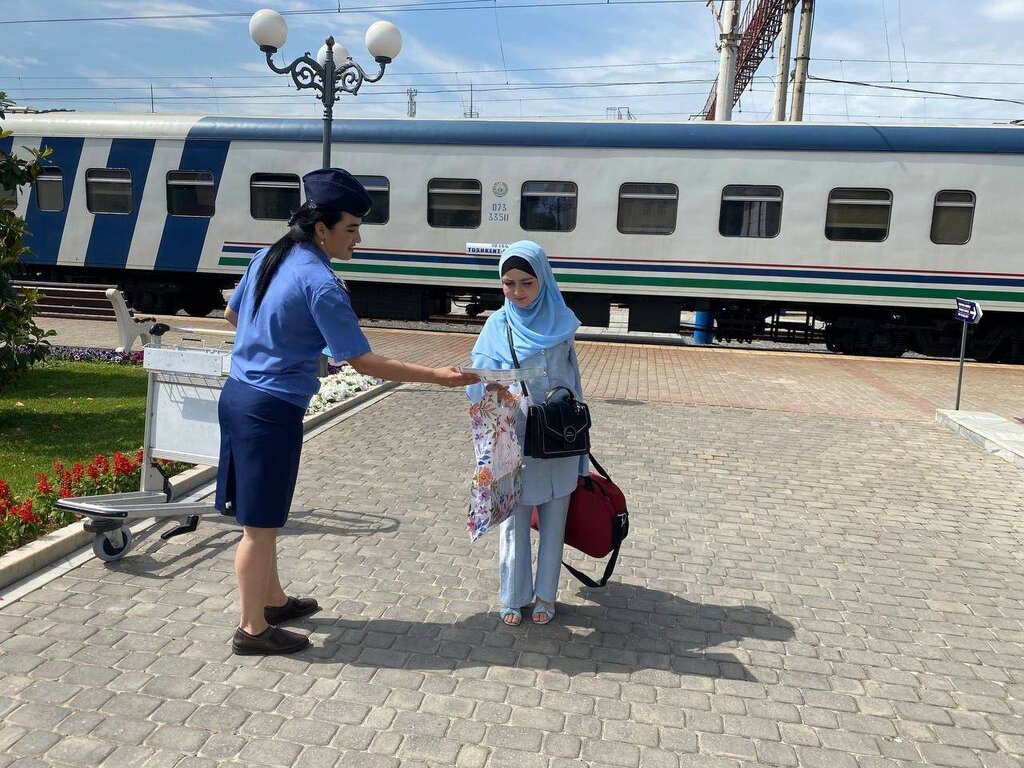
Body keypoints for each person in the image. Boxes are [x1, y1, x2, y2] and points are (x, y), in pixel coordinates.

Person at [218, 168, 478, 656]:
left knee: (267, 514)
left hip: (238, 395)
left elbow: (235, 316)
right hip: (269, 409)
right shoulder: (322, 283)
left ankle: (272, 601)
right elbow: (361, 361)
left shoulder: (267, 257)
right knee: (259, 526)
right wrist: (437, 375)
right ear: (322, 229)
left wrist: (275, 343)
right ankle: (252, 629)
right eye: (352, 229)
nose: (358, 239)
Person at [466, 241, 587, 626]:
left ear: (544, 280)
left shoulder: (563, 321)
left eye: (526, 283)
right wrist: (496, 387)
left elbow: (574, 383)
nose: (517, 292)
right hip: (514, 439)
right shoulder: (496, 325)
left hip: (558, 438)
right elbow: (477, 381)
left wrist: (581, 442)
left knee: (555, 520)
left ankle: (545, 596)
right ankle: (511, 596)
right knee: (513, 520)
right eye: (508, 283)